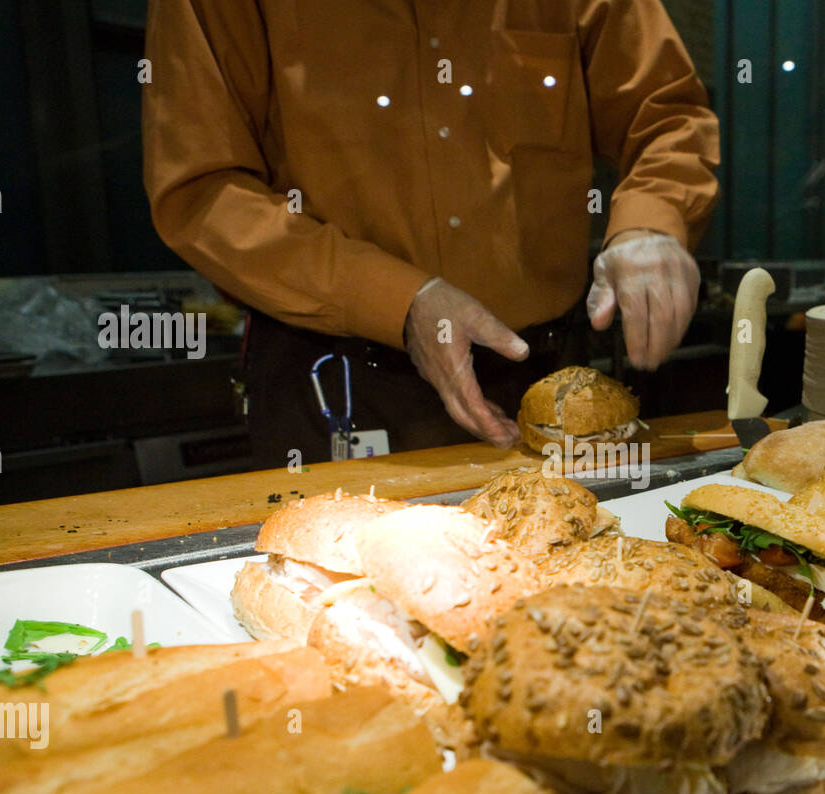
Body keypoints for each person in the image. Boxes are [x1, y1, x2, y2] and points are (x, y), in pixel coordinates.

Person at [142, 1, 719, 463]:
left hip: (544, 375)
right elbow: (202, 189)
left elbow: (665, 113)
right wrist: (396, 299)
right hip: (335, 377)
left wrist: (651, 222)